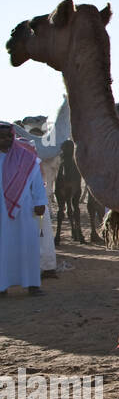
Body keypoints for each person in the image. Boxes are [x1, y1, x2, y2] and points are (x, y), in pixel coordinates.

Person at [1, 122, 48, 296]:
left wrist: (40, 201)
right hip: (0, 213)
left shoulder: (27, 159)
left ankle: (33, 285)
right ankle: (1, 286)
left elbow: (37, 183)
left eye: (8, 136)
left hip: (24, 210)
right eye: (2, 137)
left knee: (28, 246)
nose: (6, 140)